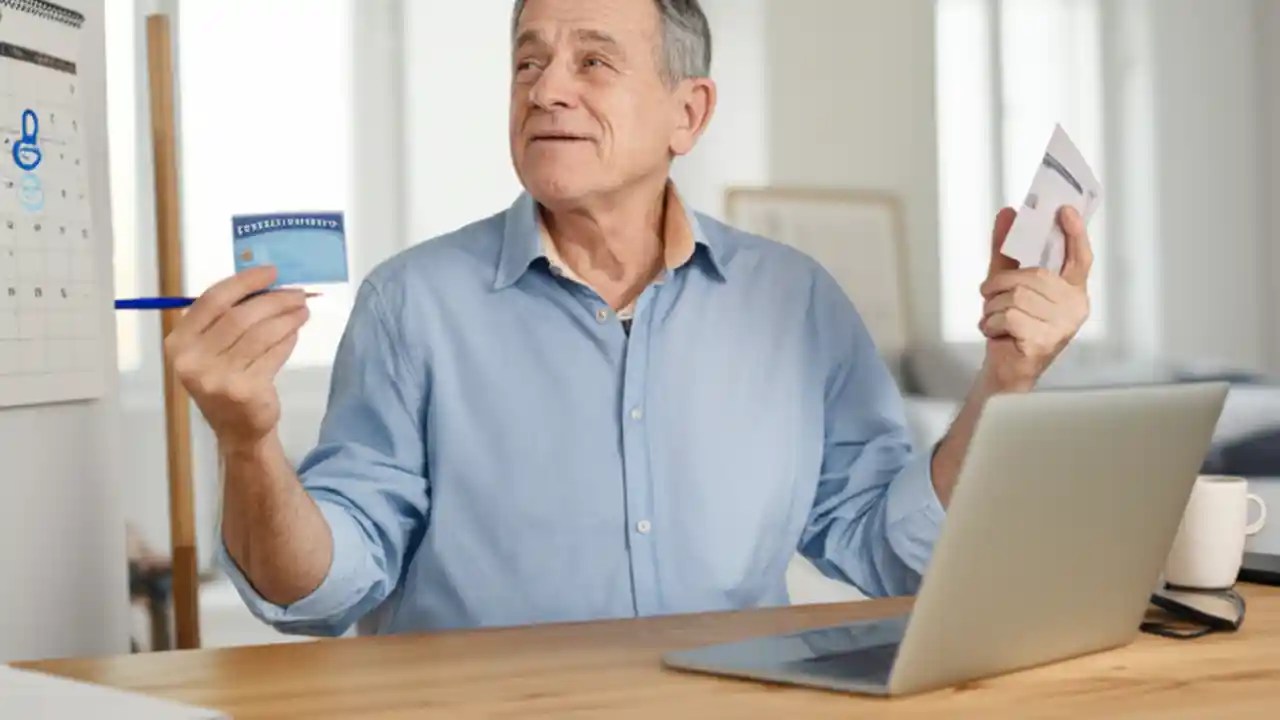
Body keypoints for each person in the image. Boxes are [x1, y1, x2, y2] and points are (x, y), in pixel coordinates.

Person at [166, 0, 1093, 637]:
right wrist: (249, 442)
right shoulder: (411, 304)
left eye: (592, 61)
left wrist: (1005, 381)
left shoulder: (797, 301)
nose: (545, 88)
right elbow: (319, 592)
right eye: (527, 59)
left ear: (687, 114)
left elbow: (893, 549)